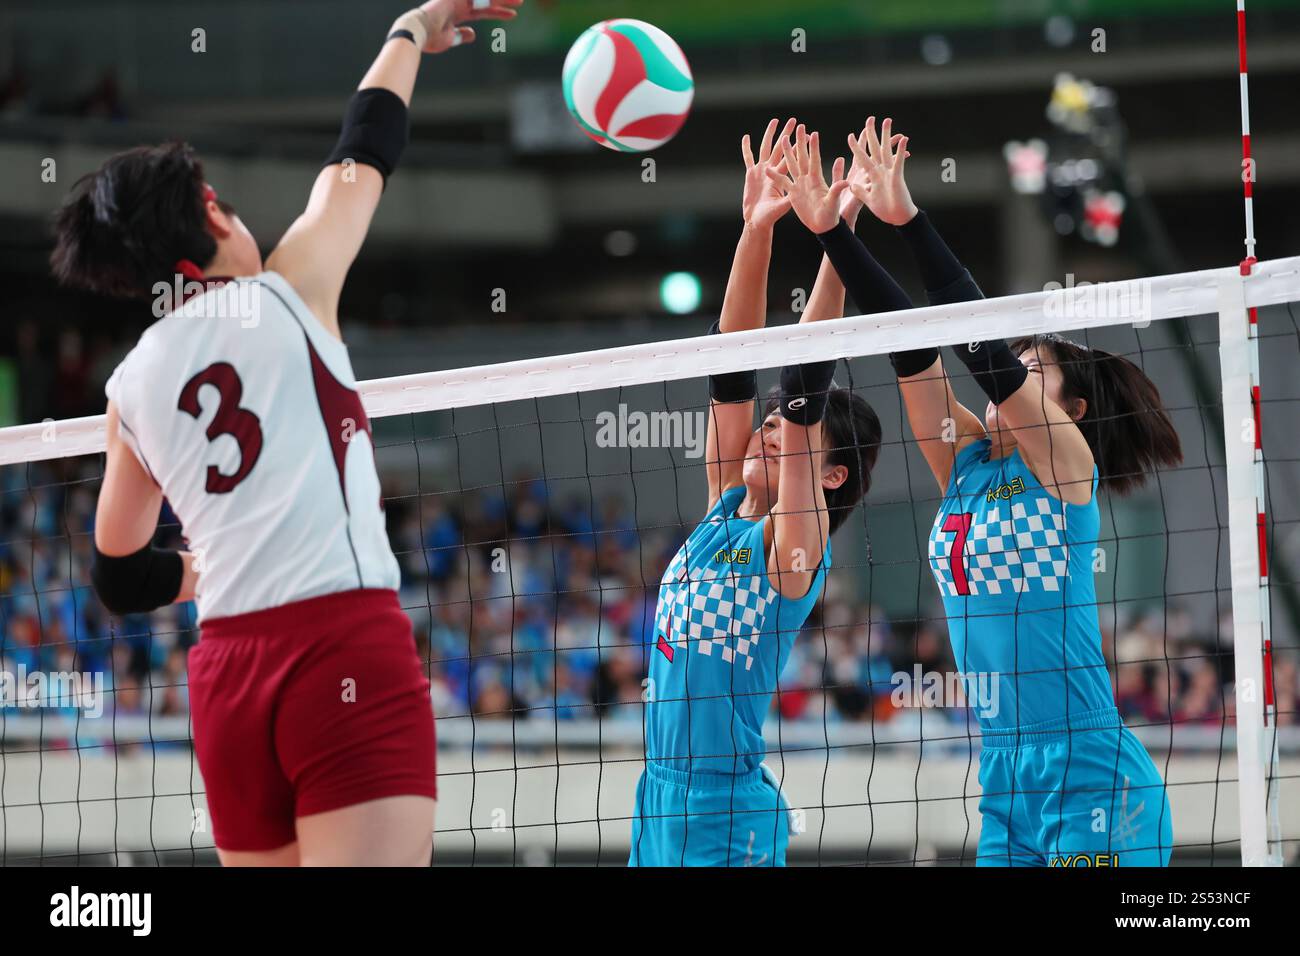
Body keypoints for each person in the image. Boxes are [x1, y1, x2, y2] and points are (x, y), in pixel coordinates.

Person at [49, 0, 526, 866]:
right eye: (219, 203)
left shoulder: (130, 390)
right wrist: (412, 29)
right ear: (205, 239)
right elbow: (366, 144)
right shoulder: (292, 289)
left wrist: (203, 568)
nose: (236, 212)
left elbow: (117, 577)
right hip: (341, 648)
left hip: (228, 674)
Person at [772, 116, 1179, 865]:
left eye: (1035, 371)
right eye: (1019, 368)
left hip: (1087, 771)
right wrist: (835, 235)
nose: (1010, 382)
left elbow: (984, 354)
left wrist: (910, 221)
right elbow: (913, 350)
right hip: (1003, 768)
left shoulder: (1065, 468)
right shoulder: (965, 466)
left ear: (1071, 408)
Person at [629, 121, 882, 866]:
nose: (772, 422)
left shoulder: (794, 548)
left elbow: (805, 381)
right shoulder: (720, 503)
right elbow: (731, 364)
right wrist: (756, 229)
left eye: (792, 427)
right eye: (767, 419)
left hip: (723, 809)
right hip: (658, 798)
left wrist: (837, 234)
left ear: (829, 473)